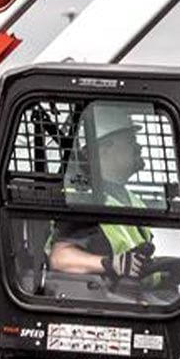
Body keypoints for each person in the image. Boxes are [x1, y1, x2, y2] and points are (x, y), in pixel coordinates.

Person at [48, 106, 155, 281]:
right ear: (104, 148)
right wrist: (110, 264)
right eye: (130, 140)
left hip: (132, 296)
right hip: (98, 300)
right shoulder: (83, 198)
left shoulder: (131, 200)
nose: (139, 146)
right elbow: (60, 258)